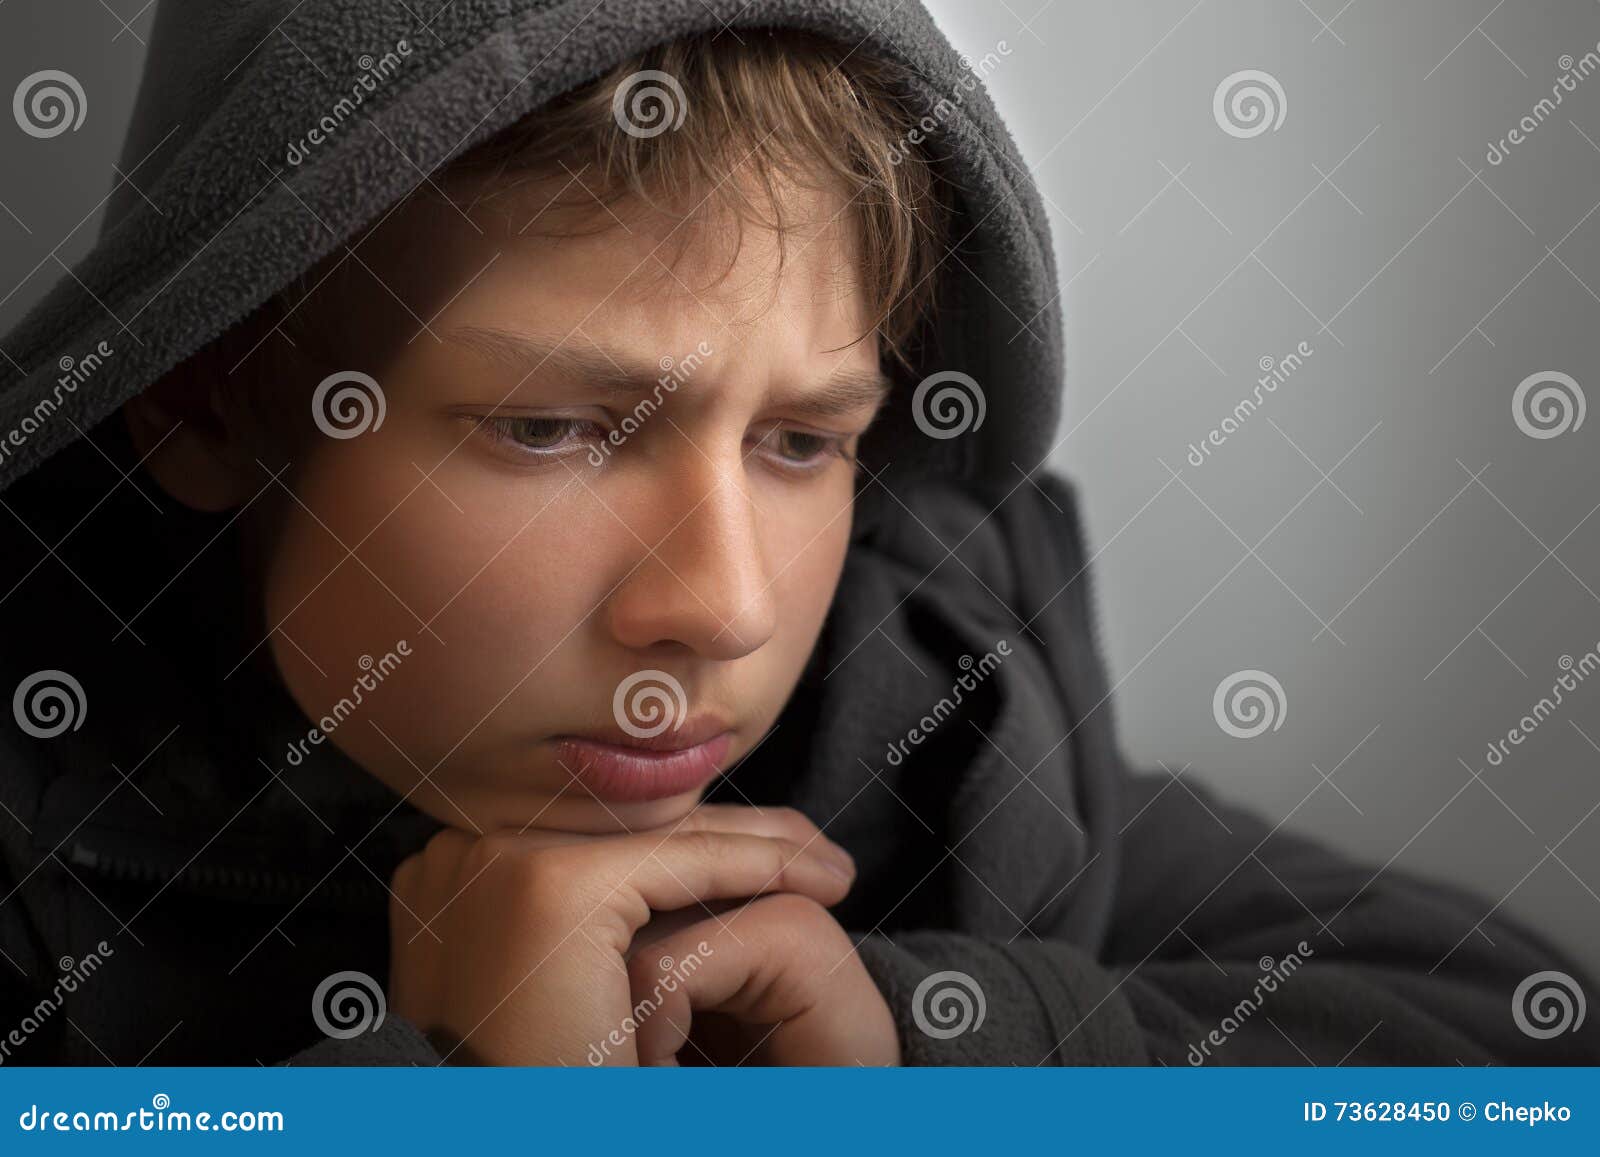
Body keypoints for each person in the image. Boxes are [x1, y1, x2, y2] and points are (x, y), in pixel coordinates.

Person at [0, 1, 1595, 1066]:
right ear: (208, 406)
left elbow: (1534, 1037)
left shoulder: (968, 753)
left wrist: (924, 1042)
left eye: (801, 442)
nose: (724, 605)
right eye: (553, 429)